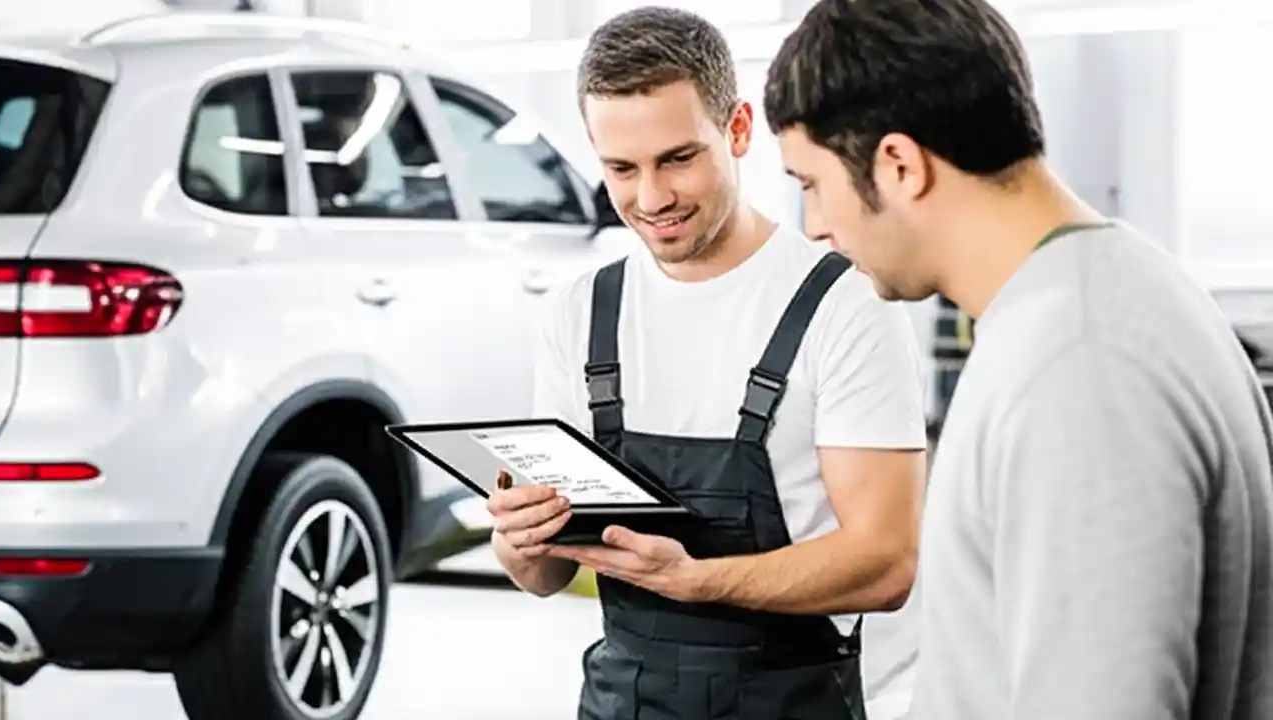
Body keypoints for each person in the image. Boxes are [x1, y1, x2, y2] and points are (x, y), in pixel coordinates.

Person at [763, 1, 1273, 718]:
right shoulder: (1115, 293)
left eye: (812, 185)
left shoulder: (1079, 367)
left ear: (900, 165)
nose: (815, 225)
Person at [485, 6, 930, 719]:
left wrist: (700, 580)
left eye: (678, 159)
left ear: (739, 130)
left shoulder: (846, 305)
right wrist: (521, 539)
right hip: (622, 701)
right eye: (621, 169)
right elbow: (541, 575)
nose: (651, 198)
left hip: (797, 701)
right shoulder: (581, 312)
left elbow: (886, 564)